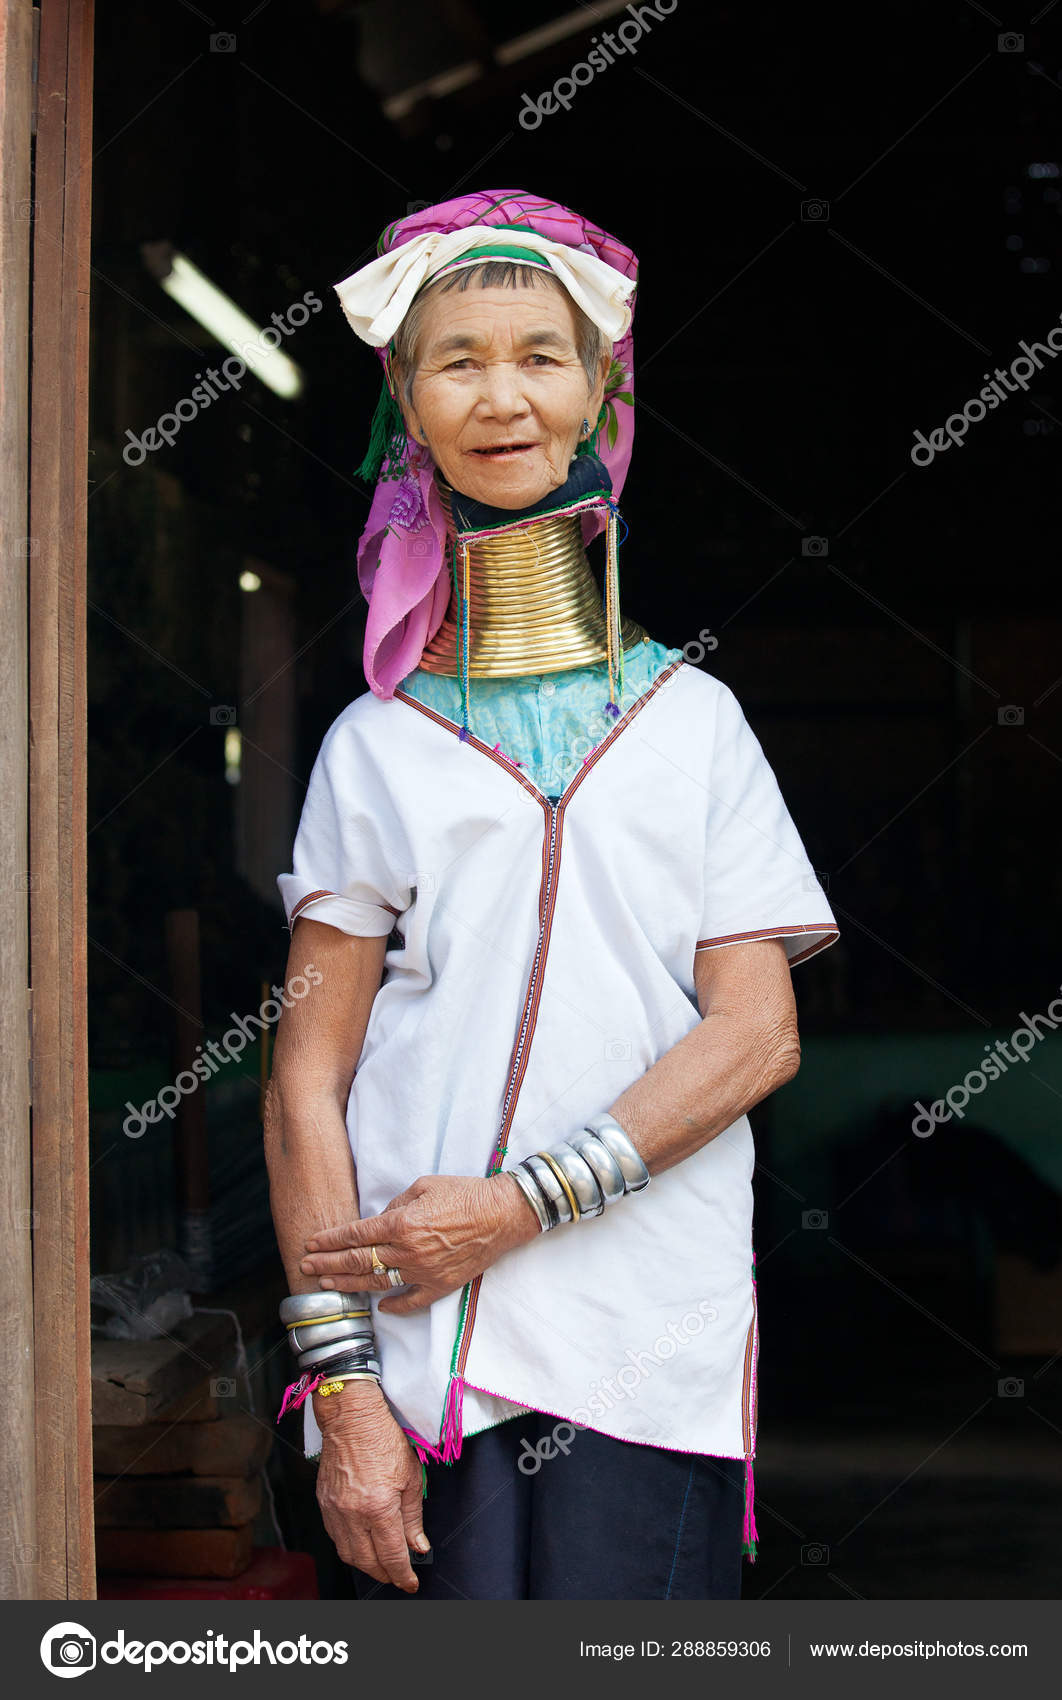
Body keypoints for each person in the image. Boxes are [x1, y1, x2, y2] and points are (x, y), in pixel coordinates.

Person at [265, 189, 839, 1601]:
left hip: (646, 1344)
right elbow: (305, 1082)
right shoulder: (374, 746)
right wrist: (342, 1398)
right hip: (417, 1350)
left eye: (542, 355)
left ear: (600, 394)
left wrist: (516, 1208)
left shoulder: (694, 722)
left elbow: (757, 1034)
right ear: (407, 396)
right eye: (460, 357)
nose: (503, 394)